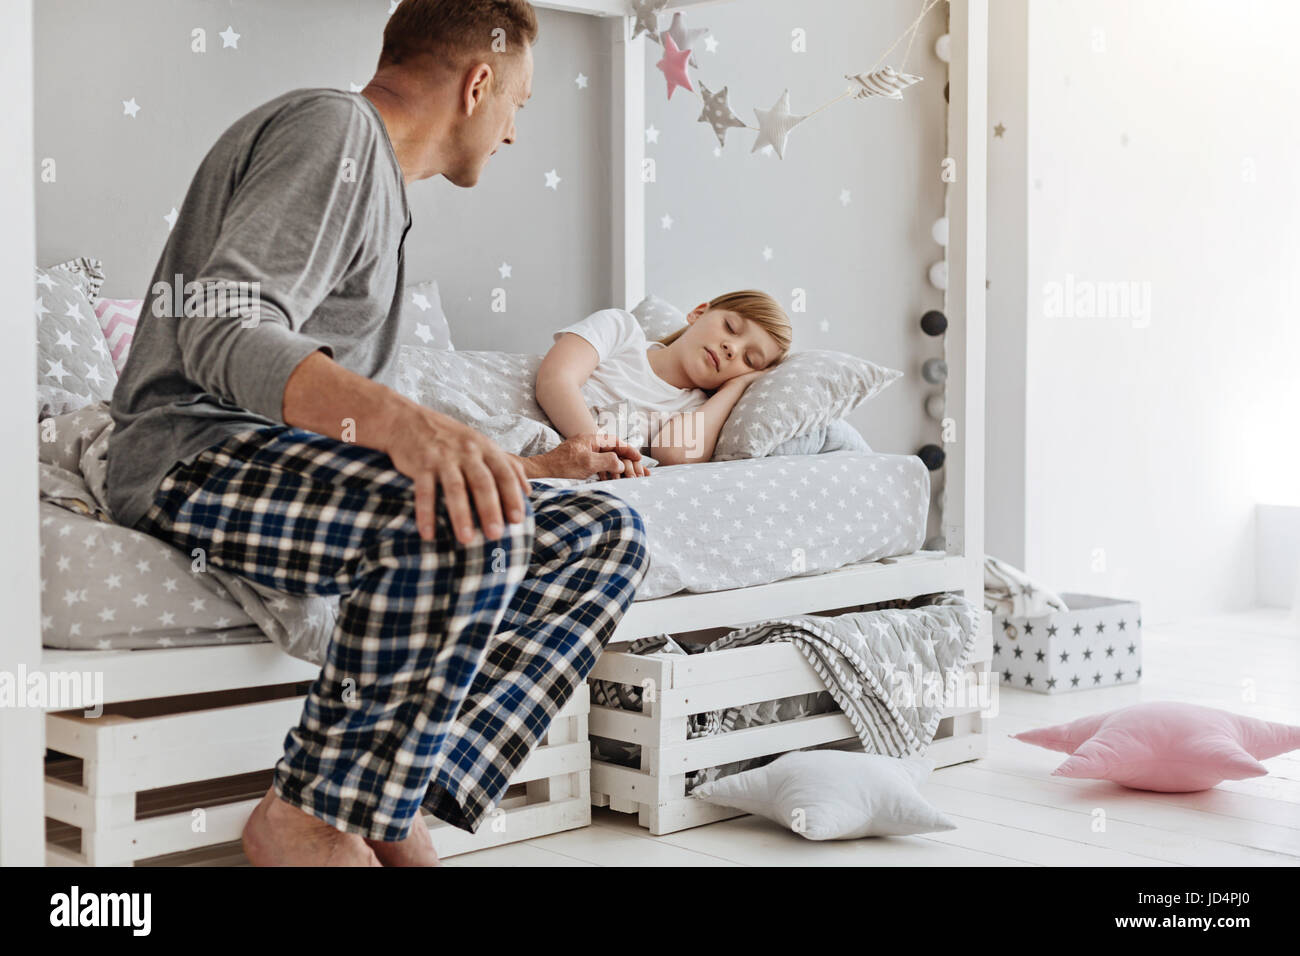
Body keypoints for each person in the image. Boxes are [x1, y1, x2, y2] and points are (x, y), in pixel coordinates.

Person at [105, 0, 650, 867]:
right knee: (468, 528)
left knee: (602, 534)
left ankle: (383, 796)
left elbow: (359, 437)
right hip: (195, 452)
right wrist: (406, 425)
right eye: (519, 105)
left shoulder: (378, 189)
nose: (513, 132)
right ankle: (307, 814)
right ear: (478, 83)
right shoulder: (337, 132)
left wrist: (526, 465)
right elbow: (222, 326)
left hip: (289, 464)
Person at [538, 291, 792, 475]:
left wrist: (735, 388)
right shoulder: (621, 331)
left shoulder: (695, 410)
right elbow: (555, 380)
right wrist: (602, 451)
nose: (732, 348)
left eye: (749, 359)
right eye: (731, 327)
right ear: (698, 313)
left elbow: (674, 456)